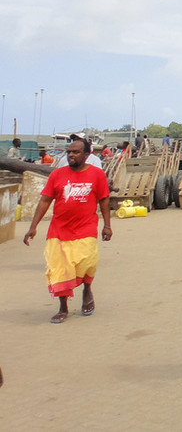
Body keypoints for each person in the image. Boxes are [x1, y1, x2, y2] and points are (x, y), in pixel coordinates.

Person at [23, 137, 113, 323]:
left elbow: (104, 199)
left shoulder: (97, 174)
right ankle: (63, 307)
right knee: (59, 268)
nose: (71, 155)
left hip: (86, 227)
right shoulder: (57, 175)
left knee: (87, 261)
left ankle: (87, 288)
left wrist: (107, 225)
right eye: (69, 151)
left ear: (87, 155)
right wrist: (33, 227)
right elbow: (45, 200)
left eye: (76, 152)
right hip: (59, 229)